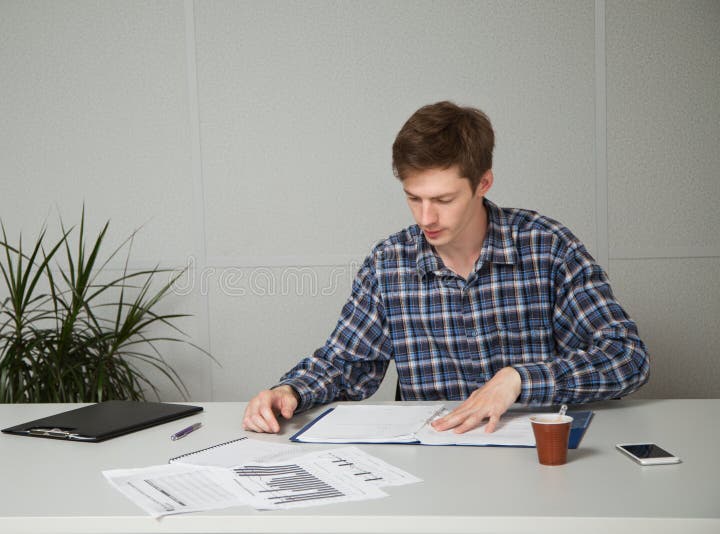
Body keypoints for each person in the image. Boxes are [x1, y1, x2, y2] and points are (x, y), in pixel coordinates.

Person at [242, 101, 650, 435]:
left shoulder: (548, 248)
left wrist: (518, 380)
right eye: (413, 198)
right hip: (432, 463)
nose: (426, 217)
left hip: (535, 458)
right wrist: (290, 391)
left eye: (443, 200)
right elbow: (346, 365)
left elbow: (627, 357)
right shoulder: (389, 263)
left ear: (483, 183)